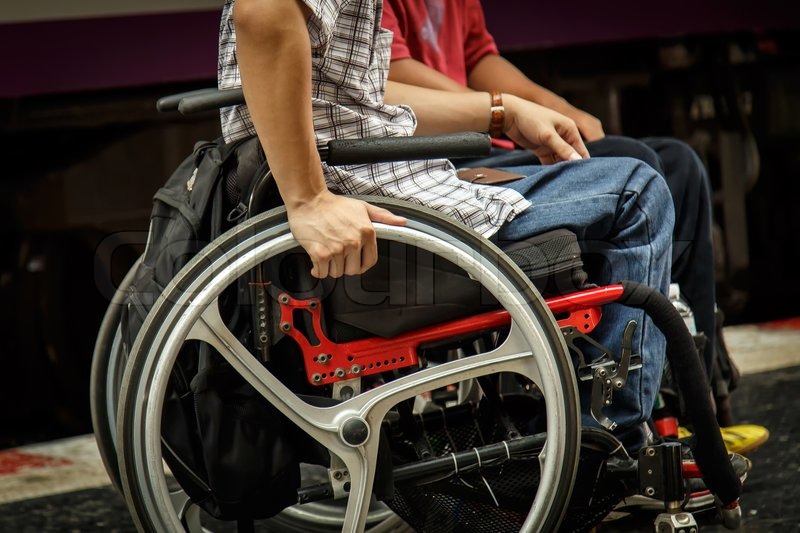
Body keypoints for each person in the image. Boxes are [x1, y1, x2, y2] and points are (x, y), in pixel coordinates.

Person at [220, 0, 674, 448]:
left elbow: (370, 103)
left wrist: (506, 112)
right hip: (376, 198)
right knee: (637, 192)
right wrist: (310, 201)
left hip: (375, 179)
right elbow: (263, 10)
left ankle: (583, 430)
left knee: (623, 175)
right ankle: (607, 448)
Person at [380, 0, 769, 453]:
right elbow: (392, 79)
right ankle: (625, 415)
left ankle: (698, 393)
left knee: (681, 165)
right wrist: (503, 111)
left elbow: (478, 57)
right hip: (441, 154)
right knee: (636, 169)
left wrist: (555, 107)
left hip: (483, 129)